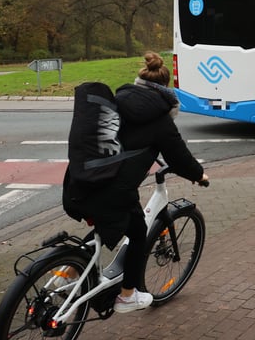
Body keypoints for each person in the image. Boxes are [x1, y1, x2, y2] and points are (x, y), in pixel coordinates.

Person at [62, 52, 208, 313]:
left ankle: (69, 268)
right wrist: (199, 175)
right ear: (166, 91)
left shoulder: (115, 102)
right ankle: (127, 296)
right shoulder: (160, 120)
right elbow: (179, 155)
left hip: (78, 182)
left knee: (105, 221)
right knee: (138, 232)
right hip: (112, 191)